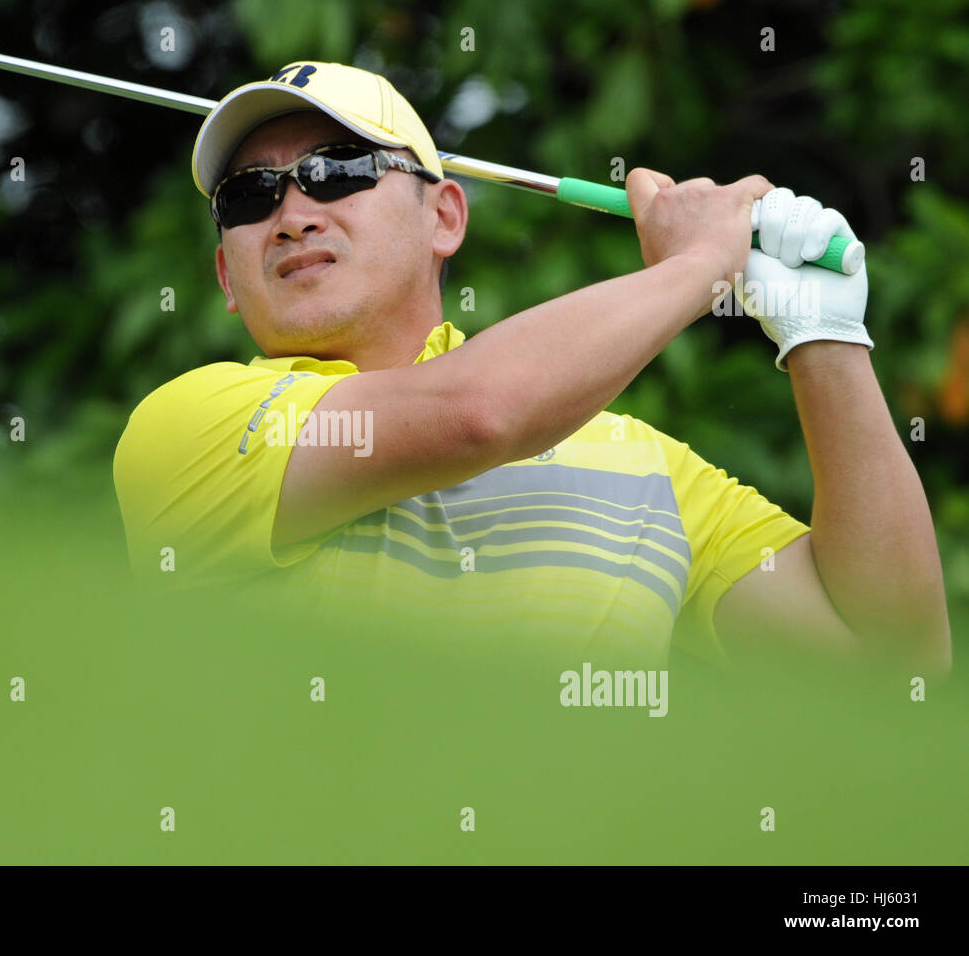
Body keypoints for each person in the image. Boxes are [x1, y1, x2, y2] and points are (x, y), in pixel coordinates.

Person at [113, 61, 951, 676]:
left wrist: (824, 337)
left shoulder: (645, 467)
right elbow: (480, 412)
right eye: (249, 197)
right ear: (226, 274)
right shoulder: (183, 428)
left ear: (444, 216)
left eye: (337, 171)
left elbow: (894, 666)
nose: (293, 214)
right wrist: (697, 269)